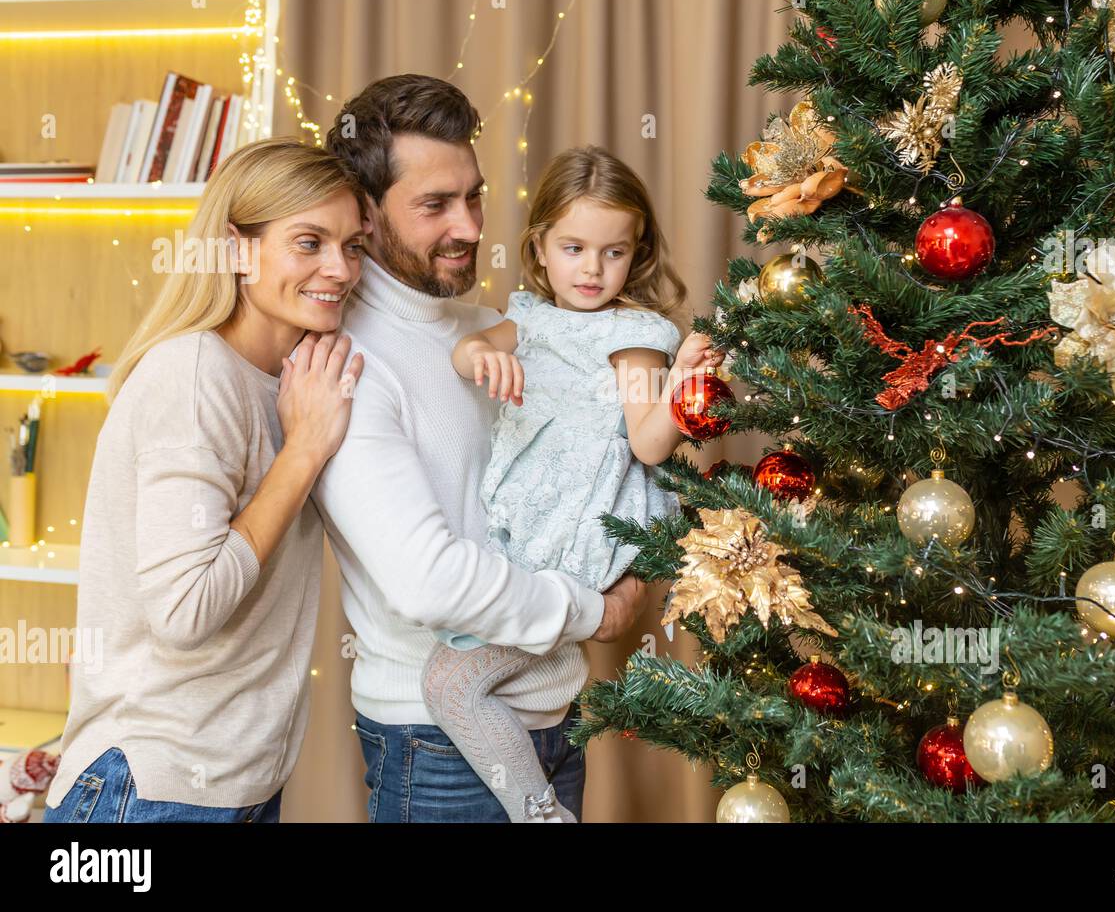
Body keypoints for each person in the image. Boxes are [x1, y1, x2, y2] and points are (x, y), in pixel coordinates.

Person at [316, 75, 654, 822]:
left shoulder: (496, 324)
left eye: (473, 195)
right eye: (435, 205)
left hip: (554, 720)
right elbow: (428, 581)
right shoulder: (348, 365)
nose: (470, 226)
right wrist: (591, 610)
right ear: (365, 214)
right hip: (437, 746)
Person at [43, 138, 366, 822]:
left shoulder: (292, 380)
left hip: (234, 785)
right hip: (153, 789)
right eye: (309, 242)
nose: (340, 269)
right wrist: (302, 455)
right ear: (236, 249)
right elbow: (184, 612)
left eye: (353, 246)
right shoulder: (195, 376)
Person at [422, 145, 721, 821]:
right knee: (485, 687)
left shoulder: (636, 336)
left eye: (613, 252)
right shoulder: (525, 316)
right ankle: (541, 801)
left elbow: (648, 441)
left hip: (577, 537)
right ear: (540, 245)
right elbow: (470, 347)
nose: (592, 269)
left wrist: (680, 385)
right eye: (574, 247)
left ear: (636, 252)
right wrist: (477, 356)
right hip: (525, 536)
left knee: (448, 683)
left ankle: (536, 811)